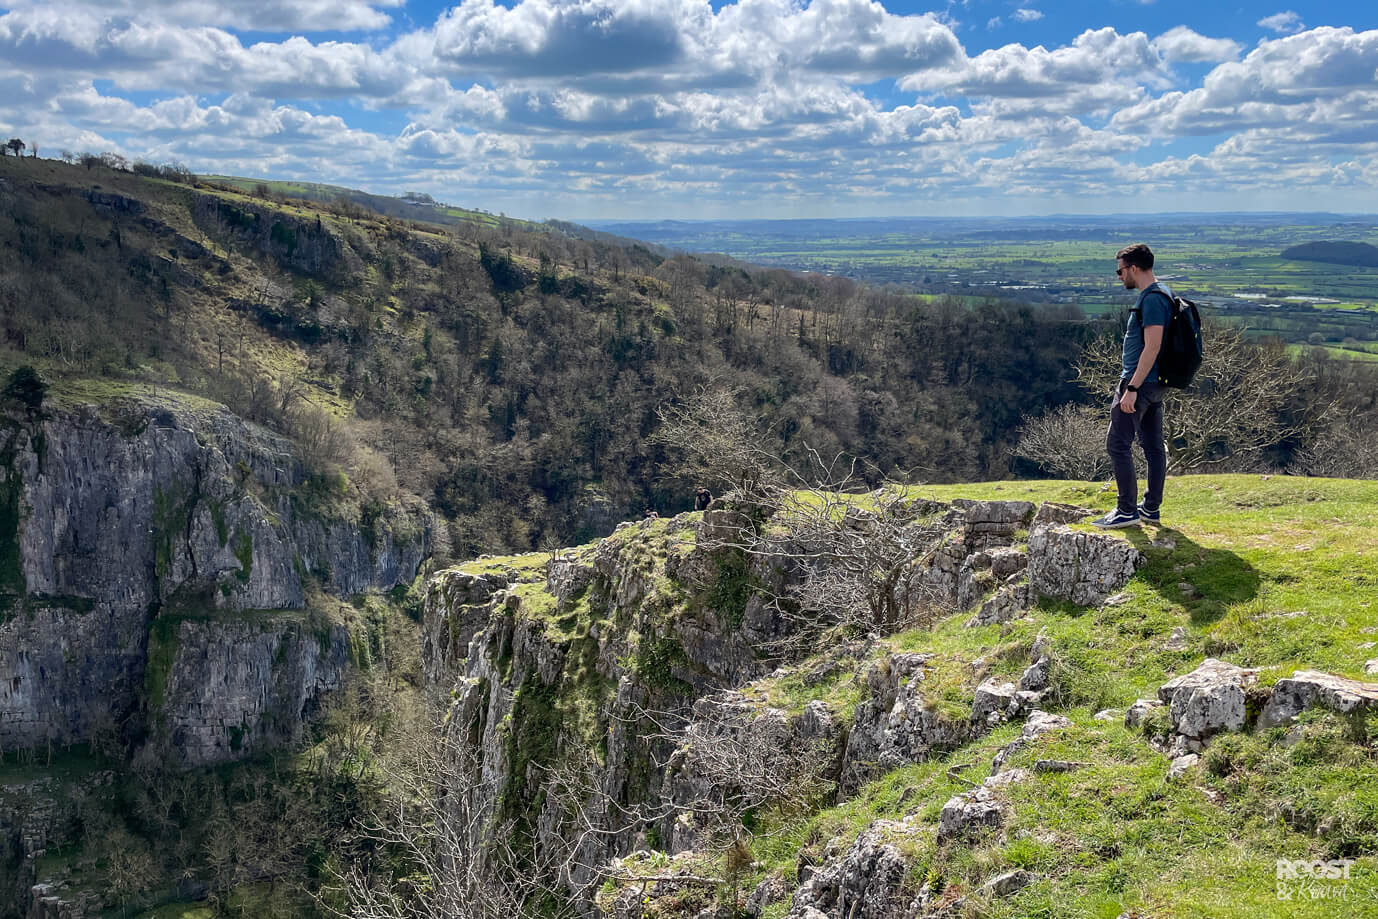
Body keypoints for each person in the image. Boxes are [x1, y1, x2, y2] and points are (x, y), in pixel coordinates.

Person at [1093, 243, 1170, 529]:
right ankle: (1151, 508)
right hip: (1157, 382)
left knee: (1117, 443)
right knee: (1152, 446)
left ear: (1134, 268)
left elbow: (1152, 346)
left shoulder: (1151, 300)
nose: (1119, 276)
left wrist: (1132, 388)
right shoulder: (1165, 293)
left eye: (1120, 270)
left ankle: (1127, 510)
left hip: (1141, 381)